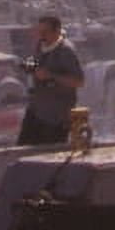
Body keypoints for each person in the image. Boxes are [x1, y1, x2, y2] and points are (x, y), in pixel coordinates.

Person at [16, 14, 85, 146]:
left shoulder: (66, 52)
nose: (41, 36)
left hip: (56, 116)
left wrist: (51, 76)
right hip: (37, 112)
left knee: (49, 154)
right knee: (24, 151)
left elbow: (79, 81)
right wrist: (29, 66)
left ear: (57, 31)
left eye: (45, 32)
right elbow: (35, 61)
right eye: (39, 32)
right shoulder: (40, 46)